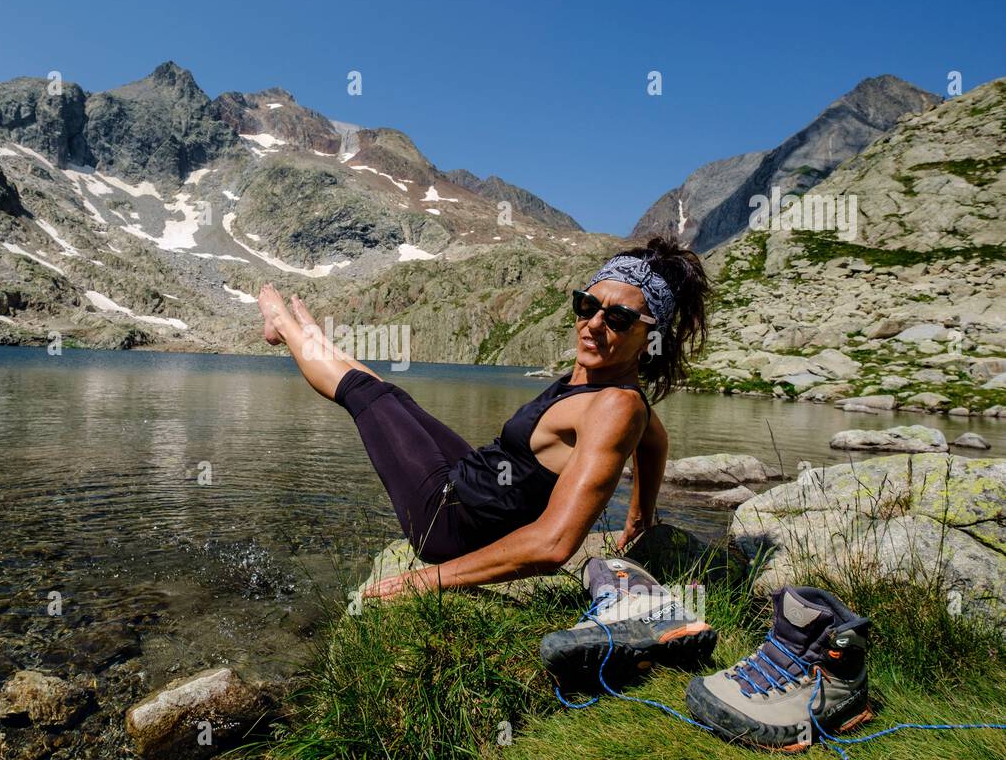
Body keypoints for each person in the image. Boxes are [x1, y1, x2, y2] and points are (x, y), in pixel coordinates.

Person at [254, 235, 710, 601]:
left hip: (447, 524)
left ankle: (287, 329)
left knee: (365, 395)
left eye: (620, 318)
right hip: (470, 481)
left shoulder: (617, 405)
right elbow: (655, 442)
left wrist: (424, 581)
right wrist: (640, 517)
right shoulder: (609, 391)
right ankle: (314, 339)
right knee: (394, 397)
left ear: (652, 334)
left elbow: (554, 545)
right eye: (587, 305)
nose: (593, 324)